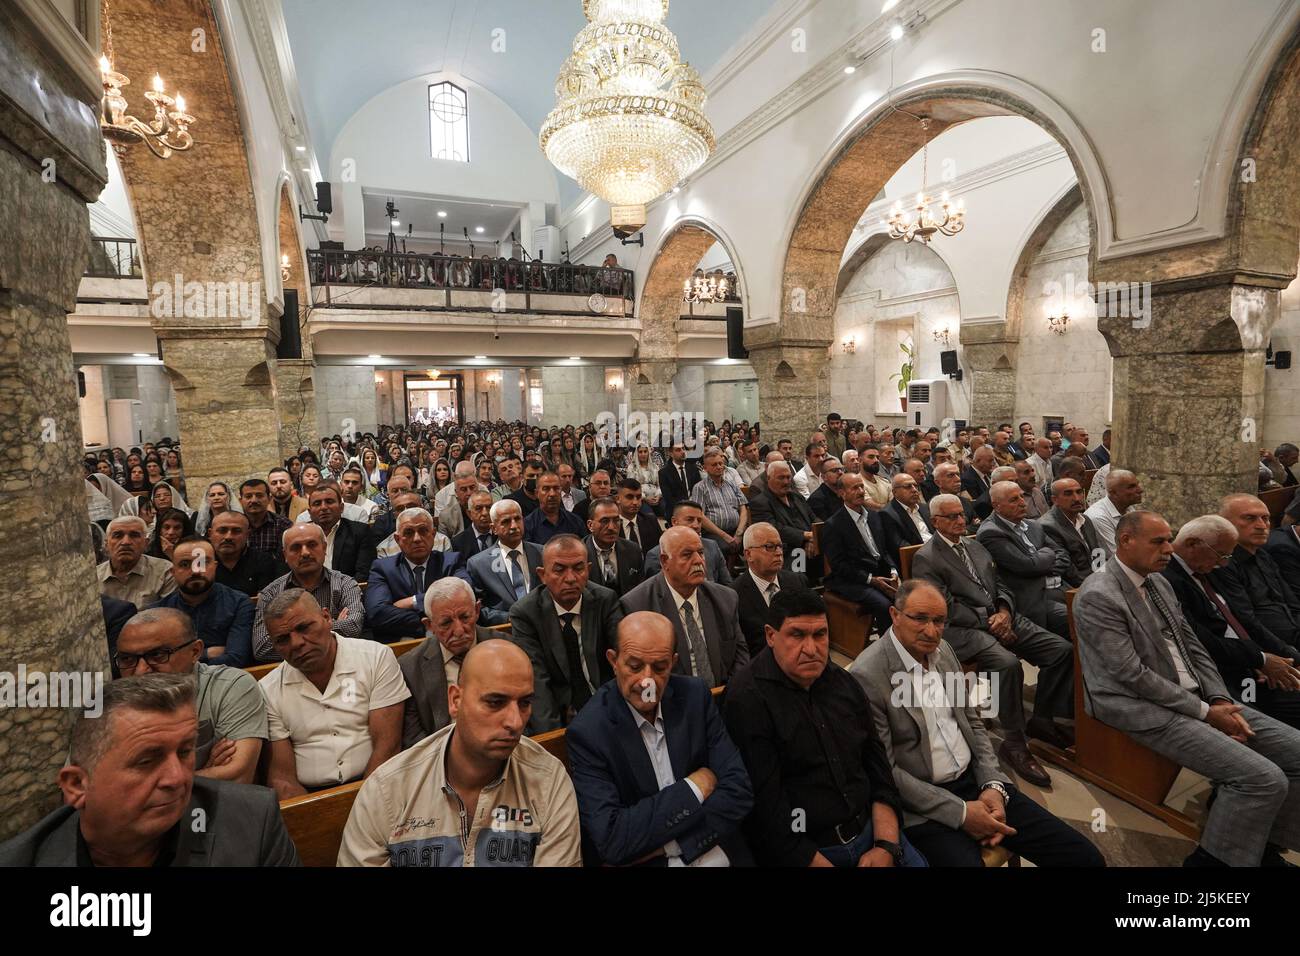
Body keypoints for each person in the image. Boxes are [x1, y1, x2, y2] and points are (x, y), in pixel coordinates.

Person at [1075, 510, 1300, 866]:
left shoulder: (1159, 581)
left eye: (1169, 539)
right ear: (1125, 541)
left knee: (1296, 751)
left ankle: (1262, 845)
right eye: (1158, 541)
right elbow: (1130, 675)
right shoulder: (1099, 594)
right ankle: (1213, 862)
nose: (1168, 549)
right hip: (1135, 704)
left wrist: (1219, 697)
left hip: (1194, 695)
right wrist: (1206, 712)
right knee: (1262, 778)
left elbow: (1192, 644)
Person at [850, 581, 1104, 866]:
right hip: (922, 805)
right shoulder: (868, 675)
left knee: (1084, 857)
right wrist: (961, 813)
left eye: (939, 621)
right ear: (895, 615)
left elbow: (973, 722)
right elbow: (886, 771)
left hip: (974, 782)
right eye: (919, 618)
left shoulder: (943, 651)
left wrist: (992, 783)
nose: (931, 631)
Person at [0, 673, 298, 867]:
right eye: (146, 761)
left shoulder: (250, 820)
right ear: (77, 785)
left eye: (185, 752)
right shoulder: (21, 861)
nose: (178, 778)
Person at [723, 589, 924, 867]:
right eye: (797, 635)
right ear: (771, 636)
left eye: (820, 635)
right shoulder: (746, 699)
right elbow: (766, 810)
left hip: (874, 834)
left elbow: (878, 766)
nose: (811, 649)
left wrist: (886, 845)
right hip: (810, 852)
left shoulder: (844, 682)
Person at [337, 641, 583, 867]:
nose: (515, 722)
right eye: (495, 702)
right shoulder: (388, 788)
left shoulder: (548, 780)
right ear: (455, 700)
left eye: (524, 703)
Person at [566, 611, 754, 867]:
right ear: (613, 660)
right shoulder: (589, 731)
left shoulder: (695, 696)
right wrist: (694, 787)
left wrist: (670, 844)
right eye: (634, 667)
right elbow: (613, 838)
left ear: (673, 662)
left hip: (717, 850)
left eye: (659, 667)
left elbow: (738, 791)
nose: (647, 681)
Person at [913, 494, 1074, 783]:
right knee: (1008, 663)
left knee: (1061, 650)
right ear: (935, 521)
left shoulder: (975, 546)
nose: (960, 520)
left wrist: (1004, 610)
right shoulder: (927, 557)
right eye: (951, 517)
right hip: (962, 629)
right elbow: (944, 607)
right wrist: (990, 621)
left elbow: (1000, 585)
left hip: (1000, 616)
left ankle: (1042, 718)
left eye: (962, 514)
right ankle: (1014, 741)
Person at [261, 589, 409, 798]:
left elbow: (388, 748)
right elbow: (282, 779)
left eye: (304, 628)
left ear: (327, 618)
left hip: (379, 784)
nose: (296, 643)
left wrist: (365, 805)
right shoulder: (268, 690)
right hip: (308, 798)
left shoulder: (375, 658)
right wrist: (316, 817)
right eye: (283, 639)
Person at [1162, 514, 1300, 729]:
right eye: (1220, 554)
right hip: (1222, 678)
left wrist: (1270, 658)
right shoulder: (1169, 579)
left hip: (1251, 665)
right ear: (1192, 544)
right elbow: (1201, 639)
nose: (1222, 563)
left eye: (1227, 556)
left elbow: (1240, 620)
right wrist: (1259, 659)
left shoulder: (1206, 568)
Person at [113, 608, 267, 783]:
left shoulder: (229, 685)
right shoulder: (113, 706)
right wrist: (206, 776)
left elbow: (238, 777)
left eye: (157, 655)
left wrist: (143, 781)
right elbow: (109, 789)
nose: (140, 671)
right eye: (127, 659)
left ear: (195, 651)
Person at [509, 535, 623, 732]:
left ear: (588, 569)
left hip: (608, 705)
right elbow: (537, 681)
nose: (570, 578)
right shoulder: (526, 613)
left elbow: (622, 659)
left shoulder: (605, 600)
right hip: (560, 713)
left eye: (578, 568)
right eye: (559, 570)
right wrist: (554, 738)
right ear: (542, 575)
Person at [620, 527, 749, 686]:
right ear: (664, 561)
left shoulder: (726, 598)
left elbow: (740, 655)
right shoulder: (638, 605)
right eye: (687, 555)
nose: (698, 561)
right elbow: (645, 675)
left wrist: (730, 694)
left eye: (701, 553)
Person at [399, 577, 503, 748]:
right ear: (429, 625)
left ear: (477, 610)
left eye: (465, 617)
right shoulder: (410, 668)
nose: (459, 631)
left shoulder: (506, 649)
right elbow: (415, 740)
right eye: (446, 623)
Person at [252, 523, 366, 662]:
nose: (305, 553)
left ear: (324, 548)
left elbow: (354, 627)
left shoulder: (345, 584)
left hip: (344, 661)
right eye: (296, 547)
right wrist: (329, 625)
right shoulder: (270, 594)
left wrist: (288, 637)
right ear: (285, 555)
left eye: (312, 545)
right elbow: (262, 647)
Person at [152, 536, 254, 667]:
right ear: (173, 572)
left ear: (215, 567)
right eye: (184, 564)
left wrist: (176, 660)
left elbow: (236, 659)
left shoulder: (239, 603)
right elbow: (155, 663)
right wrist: (206, 653)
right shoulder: (158, 612)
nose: (195, 571)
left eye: (203, 563)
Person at [365, 506, 459, 643]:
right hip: (402, 643)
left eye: (423, 531)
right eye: (408, 533)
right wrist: (431, 623)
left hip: (451, 638)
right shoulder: (383, 568)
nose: (416, 539)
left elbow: (463, 595)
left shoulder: (451, 562)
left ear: (433, 534)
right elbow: (377, 613)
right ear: (397, 539)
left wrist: (413, 601)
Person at [822, 472, 899, 623]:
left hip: (880, 572)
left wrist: (893, 570)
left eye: (862, 486)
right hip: (852, 579)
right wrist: (871, 580)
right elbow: (839, 566)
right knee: (885, 606)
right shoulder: (833, 525)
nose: (861, 491)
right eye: (855, 488)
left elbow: (885, 550)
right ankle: (886, 644)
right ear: (842, 494)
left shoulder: (875, 516)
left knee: (907, 599)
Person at [732, 522, 809, 659]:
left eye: (780, 546)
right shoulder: (733, 595)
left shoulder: (797, 581)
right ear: (748, 554)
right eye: (769, 547)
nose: (779, 552)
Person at [459, 499, 543, 624]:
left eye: (517, 519)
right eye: (506, 522)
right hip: (505, 631)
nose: (514, 526)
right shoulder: (478, 564)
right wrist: (509, 618)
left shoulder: (542, 553)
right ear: (493, 528)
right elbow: (477, 607)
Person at [749, 460, 818, 578]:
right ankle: (801, 591)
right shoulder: (760, 502)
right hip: (785, 550)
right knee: (799, 560)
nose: (786, 482)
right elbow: (773, 529)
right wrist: (805, 536)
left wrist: (814, 538)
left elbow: (814, 518)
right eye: (781, 478)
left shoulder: (796, 497)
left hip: (812, 544)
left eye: (788, 477)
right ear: (768, 478)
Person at [643, 501, 732, 584]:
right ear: (674, 521)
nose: (696, 525)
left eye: (699, 521)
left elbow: (727, 584)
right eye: (690, 519)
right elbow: (658, 593)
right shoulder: (656, 555)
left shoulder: (712, 546)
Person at [303, 481, 377, 583]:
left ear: (341, 508)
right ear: (310, 512)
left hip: (349, 594)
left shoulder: (360, 532)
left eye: (329, 501)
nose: (324, 507)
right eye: (317, 503)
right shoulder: (301, 536)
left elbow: (364, 573)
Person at [98, 515, 177, 607]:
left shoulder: (165, 572)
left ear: (146, 543)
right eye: (118, 536)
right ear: (106, 544)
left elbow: (169, 615)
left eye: (134, 535)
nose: (126, 542)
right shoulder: (92, 577)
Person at [1038, 477, 1103, 588]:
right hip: (1075, 587)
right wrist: (1094, 586)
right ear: (1055, 500)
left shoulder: (1085, 519)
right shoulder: (1048, 526)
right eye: (1068, 494)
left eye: (1079, 492)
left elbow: (1097, 550)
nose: (1077, 498)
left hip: (1096, 580)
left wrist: (1103, 576)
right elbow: (1068, 570)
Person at [209, 510, 282, 596]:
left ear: (248, 535)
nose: (228, 537)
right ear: (210, 534)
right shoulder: (200, 562)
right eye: (222, 530)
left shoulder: (263, 561)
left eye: (236, 531)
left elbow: (263, 601)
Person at [689, 447, 750, 550]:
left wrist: (739, 532)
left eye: (720, 464)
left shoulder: (732, 484)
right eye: (714, 465)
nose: (719, 467)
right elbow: (700, 516)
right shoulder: (700, 488)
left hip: (736, 530)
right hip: (714, 533)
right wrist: (724, 536)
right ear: (705, 468)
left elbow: (743, 508)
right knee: (723, 547)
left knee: (754, 543)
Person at [584, 496, 645, 596]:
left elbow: (641, 590)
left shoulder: (633, 550)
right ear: (590, 525)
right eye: (604, 521)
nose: (611, 527)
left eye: (616, 520)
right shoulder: (580, 554)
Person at [1084, 468, 1144, 557]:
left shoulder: (1127, 507)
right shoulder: (1098, 517)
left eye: (1137, 484)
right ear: (1114, 493)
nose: (1140, 490)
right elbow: (1118, 557)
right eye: (1131, 487)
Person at [879, 472, 933, 569]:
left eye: (916, 486)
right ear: (894, 492)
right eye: (908, 487)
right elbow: (901, 546)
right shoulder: (888, 514)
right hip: (917, 559)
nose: (914, 490)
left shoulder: (925, 508)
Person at [524, 470, 587, 545]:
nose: (552, 494)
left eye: (556, 488)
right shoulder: (528, 525)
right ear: (537, 493)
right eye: (546, 489)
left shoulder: (575, 521)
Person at [241, 478, 293, 558]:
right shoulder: (234, 526)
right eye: (248, 496)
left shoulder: (283, 525)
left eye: (259, 496)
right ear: (241, 501)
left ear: (269, 499)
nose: (254, 500)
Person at [450, 489, 496, 570]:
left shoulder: (502, 535)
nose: (485, 513)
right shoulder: (458, 542)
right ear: (469, 514)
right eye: (478, 508)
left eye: (488, 507)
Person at [615, 477, 661, 553]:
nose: (635, 502)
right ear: (617, 499)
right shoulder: (611, 525)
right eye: (629, 497)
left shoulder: (651, 521)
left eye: (638, 497)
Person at [658, 443, 701, 516]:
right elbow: (669, 498)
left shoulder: (693, 468)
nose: (683, 452)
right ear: (671, 454)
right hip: (676, 511)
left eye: (683, 448)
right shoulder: (664, 473)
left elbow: (699, 490)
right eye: (678, 450)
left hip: (694, 507)